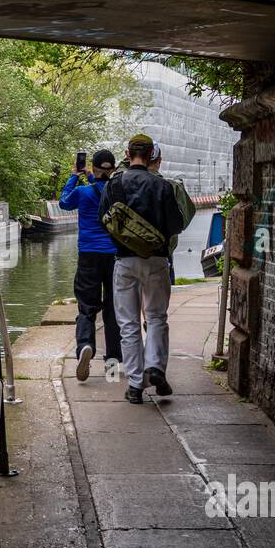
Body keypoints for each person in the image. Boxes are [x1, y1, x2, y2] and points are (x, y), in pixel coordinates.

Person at [99, 134, 185, 404]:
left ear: (127, 153)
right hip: (157, 260)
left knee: (128, 324)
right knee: (157, 317)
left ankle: (135, 385)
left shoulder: (114, 185)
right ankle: (156, 367)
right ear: (151, 155)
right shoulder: (163, 187)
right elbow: (175, 225)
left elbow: (104, 220)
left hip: (124, 260)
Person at [59, 149, 122, 381]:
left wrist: (75, 176)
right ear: (113, 169)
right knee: (113, 310)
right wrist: (95, 177)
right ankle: (113, 368)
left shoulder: (83, 192)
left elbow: (64, 203)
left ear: (93, 168)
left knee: (87, 307)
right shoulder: (117, 191)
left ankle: (85, 346)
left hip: (88, 255)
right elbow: (104, 187)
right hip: (115, 256)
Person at [147, 143, 196, 286]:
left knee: (128, 306)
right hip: (162, 253)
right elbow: (183, 221)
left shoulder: (120, 183)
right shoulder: (170, 187)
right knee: (158, 306)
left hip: (128, 256)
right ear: (159, 161)